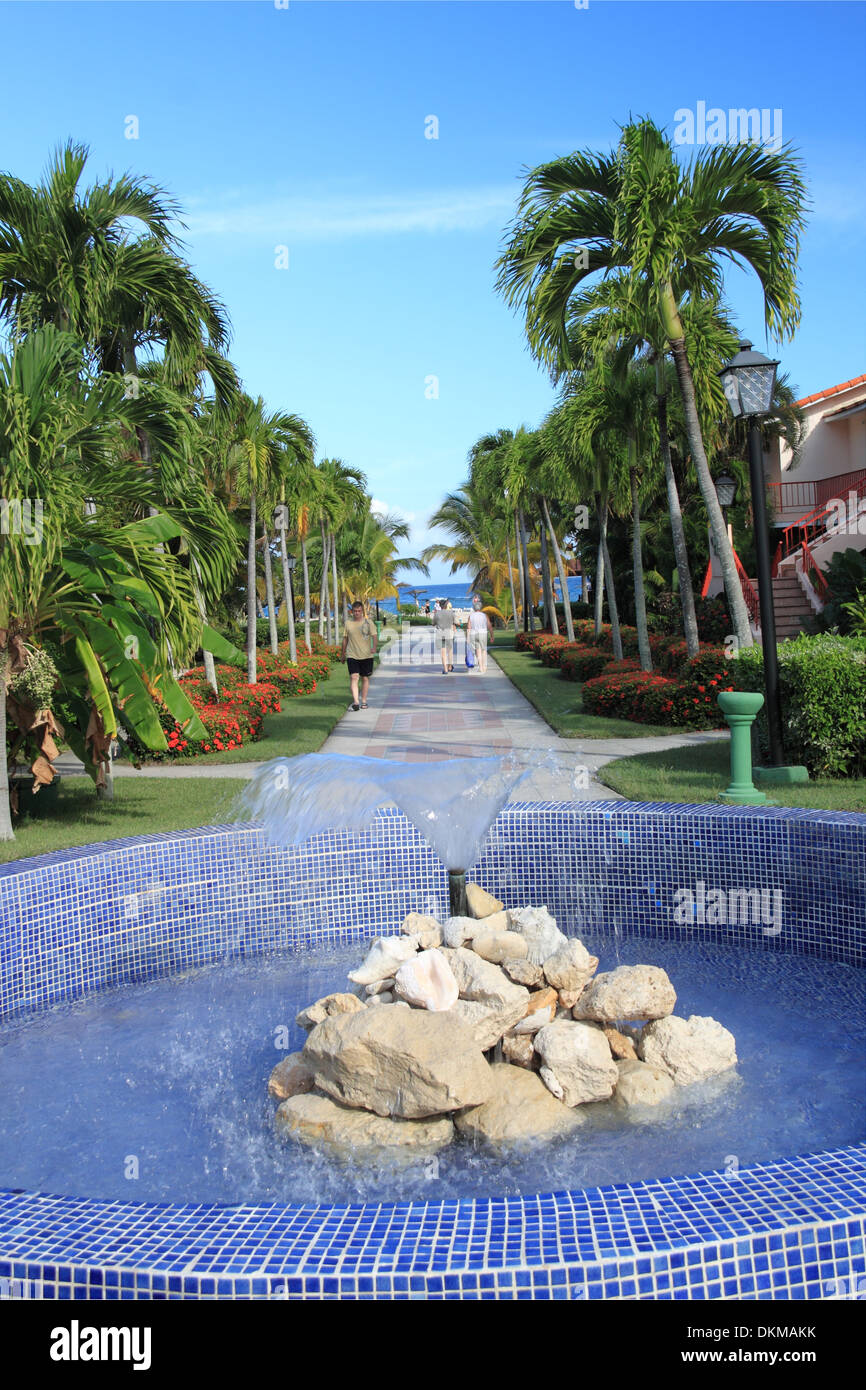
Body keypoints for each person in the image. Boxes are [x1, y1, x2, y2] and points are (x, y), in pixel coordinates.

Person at [340, 600, 378, 710]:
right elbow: (345, 639)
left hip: (366, 655)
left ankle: (364, 701)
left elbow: (374, 636)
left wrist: (374, 647)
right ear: (352, 612)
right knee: (354, 677)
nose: (357, 613)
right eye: (355, 611)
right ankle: (356, 701)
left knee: (365, 678)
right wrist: (343, 654)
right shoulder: (348, 623)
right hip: (352, 654)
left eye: (359, 611)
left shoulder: (368, 622)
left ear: (362, 611)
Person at [467, 595, 494, 672]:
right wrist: (492, 636)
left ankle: (481, 667)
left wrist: (468, 638)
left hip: (474, 634)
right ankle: (484, 666)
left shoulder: (471, 616)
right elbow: (490, 626)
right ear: (481, 607)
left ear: (474, 608)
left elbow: (469, 627)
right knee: (484, 650)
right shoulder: (484, 615)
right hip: (483, 634)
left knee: (478, 651)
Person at [432, 597, 455, 674]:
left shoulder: (437, 614)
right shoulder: (451, 613)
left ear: (440, 606)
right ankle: (450, 666)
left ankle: (445, 669)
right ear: (446, 605)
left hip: (440, 634)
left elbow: (433, 623)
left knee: (443, 652)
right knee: (450, 651)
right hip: (449, 634)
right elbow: (457, 622)